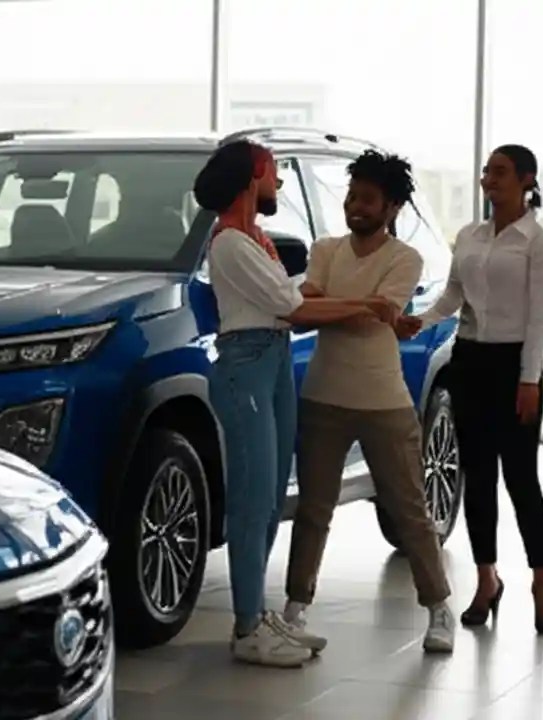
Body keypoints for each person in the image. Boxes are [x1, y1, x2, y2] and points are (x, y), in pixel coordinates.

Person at [194, 140, 392, 667]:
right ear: (254, 174)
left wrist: (350, 297)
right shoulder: (231, 242)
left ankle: (260, 617)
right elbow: (291, 305)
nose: (279, 184)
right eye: (275, 173)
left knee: (272, 495)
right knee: (252, 500)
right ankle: (246, 628)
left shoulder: (256, 238)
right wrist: (365, 304)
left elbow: (291, 295)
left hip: (274, 359)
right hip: (247, 365)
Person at [280, 150, 455, 655]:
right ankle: (296, 607)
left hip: (384, 402)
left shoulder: (405, 260)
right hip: (322, 397)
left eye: (368, 199)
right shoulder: (326, 249)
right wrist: (364, 304)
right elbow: (302, 313)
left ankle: (438, 608)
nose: (355, 206)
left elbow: (344, 316)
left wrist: (346, 308)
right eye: (352, 197)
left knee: (410, 510)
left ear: (392, 207)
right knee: (313, 510)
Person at [398, 144, 543, 634]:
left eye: (501, 172)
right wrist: (420, 321)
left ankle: (541, 581)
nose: (489, 179)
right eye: (487, 171)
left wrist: (529, 379)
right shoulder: (469, 235)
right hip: (469, 359)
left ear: (527, 180)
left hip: (514, 365)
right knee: (478, 475)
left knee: (521, 479)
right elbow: (452, 295)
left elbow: (540, 319)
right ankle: (486, 579)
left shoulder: (540, 242)